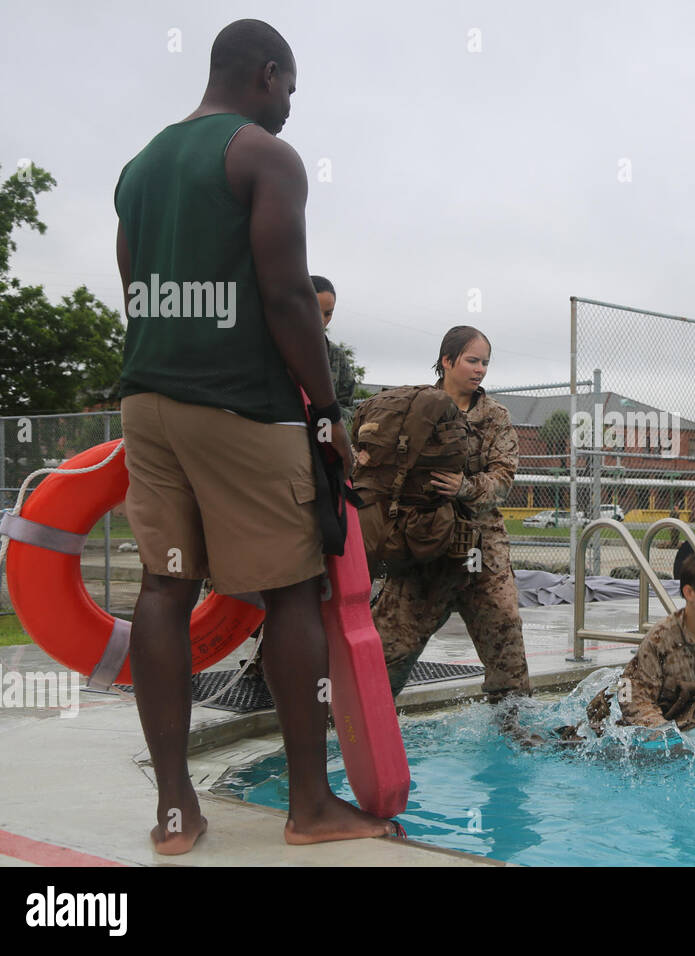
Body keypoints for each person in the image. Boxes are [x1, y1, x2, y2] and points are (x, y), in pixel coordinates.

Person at [113, 19, 395, 852]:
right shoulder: (262, 156)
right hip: (243, 408)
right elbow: (286, 295)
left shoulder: (138, 168)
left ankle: (175, 812)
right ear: (267, 75)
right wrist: (329, 406)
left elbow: (137, 286)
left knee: (165, 588)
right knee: (291, 592)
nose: (288, 113)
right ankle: (309, 807)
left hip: (147, 401)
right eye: (290, 93)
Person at [373, 326, 533, 702]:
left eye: (485, 363)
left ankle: (513, 730)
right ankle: (360, 725)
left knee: (505, 636)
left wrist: (463, 486)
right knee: (391, 644)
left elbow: (503, 479)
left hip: (482, 548)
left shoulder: (495, 416)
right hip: (424, 544)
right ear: (447, 361)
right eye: (472, 360)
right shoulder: (416, 409)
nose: (480, 370)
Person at [582, 553, 695, 733]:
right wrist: (665, 733)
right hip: (618, 717)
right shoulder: (661, 638)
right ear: (689, 593)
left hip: (680, 710)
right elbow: (631, 698)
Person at [311, 275, 356, 429]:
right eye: (314, 310)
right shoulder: (274, 349)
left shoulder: (336, 356)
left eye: (328, 313)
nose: (322, 320)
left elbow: (348, 408)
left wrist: (330, 418)